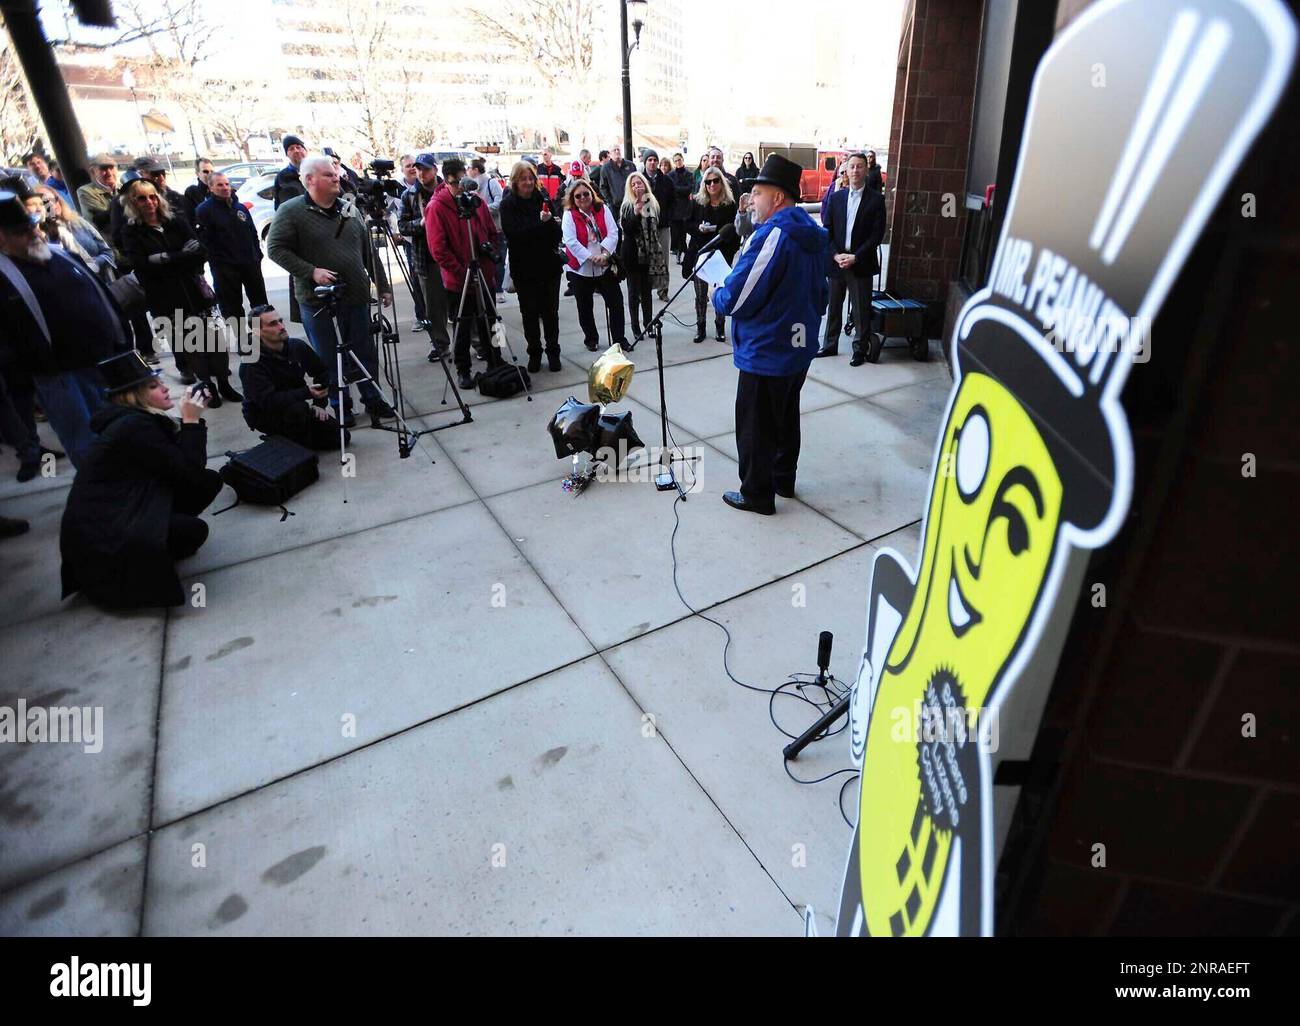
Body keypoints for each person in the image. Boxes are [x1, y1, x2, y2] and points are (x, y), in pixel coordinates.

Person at [60, 351, 223, 610]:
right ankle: (141, 561)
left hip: (119, 513)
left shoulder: (134, 421)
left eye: (160, 382)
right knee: (194, 530)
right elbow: (189, 471)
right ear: (133, 396)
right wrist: (191, 420)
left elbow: (180, 467)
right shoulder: (133, 428)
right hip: (104, 538)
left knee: (208, 482)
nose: (165, 389)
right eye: (153, 386)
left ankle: (158, 541)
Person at [712, 154, 828, 515]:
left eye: (757, 193)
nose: (751, 201)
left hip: (768, 348)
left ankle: (757, 493)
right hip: (798, 343)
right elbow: (821, 293)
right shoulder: (810, 233)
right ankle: (783, 478)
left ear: (778, 197)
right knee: (785, 413)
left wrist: (718, 290)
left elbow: (739, 296)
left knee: (755, 425)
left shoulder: (775, 234)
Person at [0, 189, 126, 469]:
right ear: (2, 239)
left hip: (104, 361)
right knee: (87, 442)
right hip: (62, 378)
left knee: (123, 430)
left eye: (32, 225)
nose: (32, 232)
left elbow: (102, 297)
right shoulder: (4, 278)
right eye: (21, 231)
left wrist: (121, 340)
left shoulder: (60, 255)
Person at [267, 154, 395, 427]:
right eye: (328, 174)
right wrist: (311, 271)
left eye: (335, 172)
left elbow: (367, 250)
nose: (336, 176)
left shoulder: (349, 210)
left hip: (355, 296)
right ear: (310, 180)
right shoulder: (291, 211)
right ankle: (341, 406)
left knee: (364, 352)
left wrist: (382, 285)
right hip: (318, 301)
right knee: (328, 357)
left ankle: (373, 399)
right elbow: (275, 249)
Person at [120, 176, 242, 406]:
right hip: (166, 299)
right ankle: (208, 388)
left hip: (196, 292)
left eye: (152, 196)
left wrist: (164, 259)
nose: (149, 202)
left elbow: (200, 252)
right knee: (190, 347)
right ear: (133, 203)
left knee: (215, 341)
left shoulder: (175, 221)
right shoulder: (132, 231)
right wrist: (179, 256)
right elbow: (141, 265)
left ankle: (224, 384)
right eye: (142, 198)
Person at [424, 157, 505, 390]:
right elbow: (438, 249)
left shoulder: (476, 200)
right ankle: (463, 369)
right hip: (458, 280)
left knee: (492, 321)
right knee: (462, 325)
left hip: (483, 274)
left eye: (464, 181)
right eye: (456, 183)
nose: (461, 187)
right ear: (447, 181)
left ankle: (496, 358)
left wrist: (488, 262)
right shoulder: (437, 206)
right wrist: (461, 272)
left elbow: (492, 232)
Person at [239, 304, 342, 449]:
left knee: (339, 437)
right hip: (266, 414)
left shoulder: (296, 346)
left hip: (296, 405)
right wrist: (306, 393)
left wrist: (319, 405)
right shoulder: (251, 364)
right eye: (273, 324)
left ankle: (289, 441)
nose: (281, 326)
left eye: (281, 321)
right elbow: (268, 401)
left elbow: (322, 372)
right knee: (297, 411)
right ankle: (287, 443)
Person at [818, 152, 886, 364]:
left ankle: (860, 350)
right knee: (834, 306)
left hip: (860, 261)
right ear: (845, 171)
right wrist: (835, 254)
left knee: (861, 309)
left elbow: (877, 234)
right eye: (852, 167)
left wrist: (856, 256)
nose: (855, 170)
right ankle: (829, 345)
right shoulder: (836, 198)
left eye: (859, 166)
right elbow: (827, 229)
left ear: (866, 170)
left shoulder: (876, 200)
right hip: (837, 260)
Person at [499, 161, 564, 373]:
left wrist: (549, 225)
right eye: (523, 179)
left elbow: (556, 234)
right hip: (524, 268)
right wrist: (542, 225)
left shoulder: (543, 199)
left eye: (530, 178)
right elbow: (514, 236)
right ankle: (534, 353)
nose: (527, 182)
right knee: (529, 314)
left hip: (548, 266)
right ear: (515, 182)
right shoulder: (508, 204)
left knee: (550, 313)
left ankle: (553, 352)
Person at [561, 177, 627, 352]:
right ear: (572, 199)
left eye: (586, 193)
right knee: (584, 306)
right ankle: (591, 338)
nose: (583, 198)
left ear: (592, 193)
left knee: (616, 303)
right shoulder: (569, 215)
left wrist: (605, 254)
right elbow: (570, 241)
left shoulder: (602, 209)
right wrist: (591, 257)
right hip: (581, 268)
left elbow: (613, 232)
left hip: (604, 263)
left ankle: (619, 338)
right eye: (578, 196)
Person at [398, 153, 451, 361]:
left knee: (463, 302)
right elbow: (402, 226)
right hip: (426, 259)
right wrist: (420, 224)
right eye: (418, 169)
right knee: (433, 307)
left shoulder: (447, 190)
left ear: (435, 170)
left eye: (425, 169)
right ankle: (440, 344)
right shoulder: (409, 196)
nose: (421, 173)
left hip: (451, 255)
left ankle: (476, 342)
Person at [195, 171, 268, 321]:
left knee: (260, 306)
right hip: (225, 269)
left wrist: (257, 255)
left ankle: (263, 339)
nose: (225, 188)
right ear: (210, 187)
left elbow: (252, 233)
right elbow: (204, 241)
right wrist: (220, 263)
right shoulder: (204, 210)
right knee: (233, 309)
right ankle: (243, 341)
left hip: (250, 265)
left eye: (227, 184)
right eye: (220, 185)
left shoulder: (240, 207)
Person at [683, 168, 739, 343]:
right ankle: (700, 327)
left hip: (721, 255)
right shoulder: (698, 202)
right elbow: (686, 223)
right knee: (700, 294)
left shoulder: (729, 204)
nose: (712, 185)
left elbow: (735, 231)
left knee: (719, 292)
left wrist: (728, 250)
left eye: (716, 181)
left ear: (721, 182)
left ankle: (720, 326)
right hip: (701, 252)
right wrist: (698, 228)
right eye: (708, 182)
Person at [618, 171, 668, 343]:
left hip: (649, 252)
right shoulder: (626, 205)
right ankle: (635, 327)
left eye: (639, 183)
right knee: (633, 293)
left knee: (646, 292)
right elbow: (628, 229)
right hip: (632, 253)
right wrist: (636, 212)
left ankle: (648, 323)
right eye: (633, 184)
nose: (636, 186)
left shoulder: (651, 203)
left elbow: (655, 227)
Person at [468, 159, 506, 296]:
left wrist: (482, 209)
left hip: (496, 229)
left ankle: (498, 289)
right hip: (478, 231)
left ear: (476, 170)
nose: (467, 171)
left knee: (498, 258)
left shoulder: (492, 182)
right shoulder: (470, 187)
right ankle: (489, 286)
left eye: (469, 168)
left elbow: (500, 202)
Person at [641, 151, 675, 300]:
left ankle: (663, 290)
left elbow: (673, 202)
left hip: (663, 225)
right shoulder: (639, 180)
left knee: (664, 259)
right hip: (645, 227)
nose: (653, 162)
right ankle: (644, 290)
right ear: (645, 162)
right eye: (650, 159)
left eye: (655, 159)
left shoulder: (666, 181)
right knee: (646, 259)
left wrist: (668, 217)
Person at [76, 155, 118, 239]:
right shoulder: (86, 192)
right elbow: (108, 220)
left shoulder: (124, 188)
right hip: (109, 243)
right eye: (104, 169)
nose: (109, 173)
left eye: (111, 168)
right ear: (93, 172)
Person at [667, 152, 694, 262]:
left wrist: (678, 189)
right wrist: (681, 190)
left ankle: (682, 251)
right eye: (676, 160)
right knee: (676, 231)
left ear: (683, 160)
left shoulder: (689, 174)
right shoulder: (671, 175)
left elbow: (689, 188)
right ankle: (680, 250)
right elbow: (671, 189)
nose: (678, 162)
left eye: (679, 160)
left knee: (683, 231)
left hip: (685, 207)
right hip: (675, 207)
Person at [596, 144, 635, 210]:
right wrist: (610, 201)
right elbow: (603, 187)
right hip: (615, 207)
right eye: (614, 150)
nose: (617, 151)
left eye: (618, 149)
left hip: (630, 204)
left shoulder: (631, 165)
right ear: (610, 154)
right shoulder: (605, 168)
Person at [274, 135, 308, 209]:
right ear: (287, 154)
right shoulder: (282, 177)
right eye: (291, 149)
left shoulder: (316, 170)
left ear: (305, 150)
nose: (296, 151)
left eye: (298, 147)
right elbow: (279, 206)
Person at [181, 157, 215, 226]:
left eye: (212, 171)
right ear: (197, 173)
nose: (209, 174)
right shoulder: (192, 192)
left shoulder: (218, 190)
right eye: (205, 172)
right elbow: (190, 219)